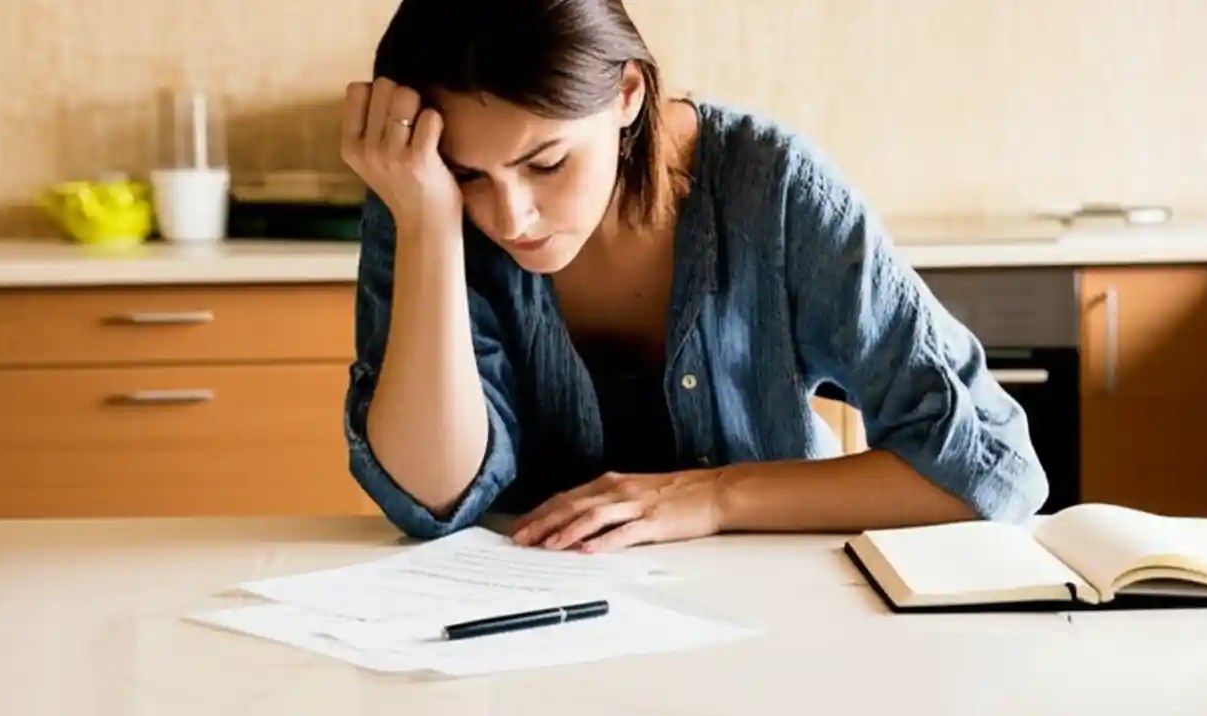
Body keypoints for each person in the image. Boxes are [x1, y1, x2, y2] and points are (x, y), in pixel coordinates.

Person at [340, 0, 1049, 552]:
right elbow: (430, 497)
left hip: (768, 631)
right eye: (470, 175)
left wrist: (713, 497)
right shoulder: (420, 194)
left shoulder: (770, 186)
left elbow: (993, 470)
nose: (510, 214)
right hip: (523, 643)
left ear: (627, 95)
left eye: (547, 162)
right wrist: (429, 222)